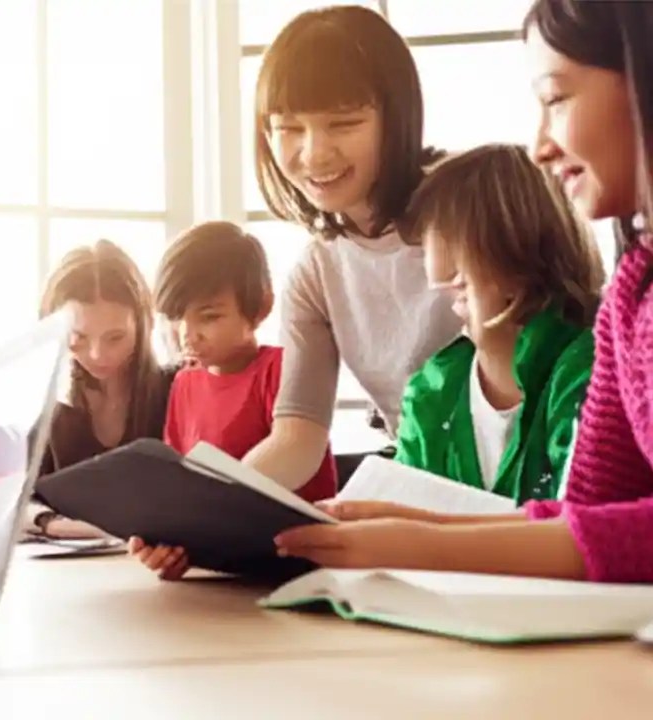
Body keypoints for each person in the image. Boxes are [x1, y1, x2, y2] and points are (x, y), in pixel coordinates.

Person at [275, 0, 653, 583]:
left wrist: (429, 543)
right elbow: (585, 518)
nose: (540, 147)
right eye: (288, 127)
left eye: (555, 99)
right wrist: (423, 526)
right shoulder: (629, 297)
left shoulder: (577, 339)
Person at [240, 5, 463, 491]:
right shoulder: (316, 272)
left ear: (397, 118)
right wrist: (200, 505)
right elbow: (296, 439)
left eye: (343, 123)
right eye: (289, 129)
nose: (314, 153)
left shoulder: (470, 206)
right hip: (426, 496)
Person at [391, 143, 602, 503]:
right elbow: (398, 512)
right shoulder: (433, 390)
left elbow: (579, 522)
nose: (440, 273)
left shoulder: (589, 369)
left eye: (447, 237)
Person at [130, 222, 337, 580]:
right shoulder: (184, 383)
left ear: (261, 307)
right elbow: (181, 486)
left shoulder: (284, 370)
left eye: (209, 317)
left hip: (297, 564)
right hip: (224, 565)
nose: (187, 334)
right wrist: (170, 546)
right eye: (176, 318)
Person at [26, 240, 176, 539]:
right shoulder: (48, 407)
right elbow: (15, 500)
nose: (97, 355)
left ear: (143, 324)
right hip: (76, 561)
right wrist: (52, 523)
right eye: (78, 338)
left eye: (115, 338)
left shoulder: (178, 388)